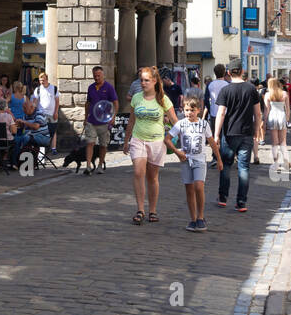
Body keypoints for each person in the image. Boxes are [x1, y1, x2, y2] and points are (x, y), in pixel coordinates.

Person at [124, 66, 177, 225]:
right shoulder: (136, 98)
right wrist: (126, 140)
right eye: (141, 80)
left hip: (156, 141)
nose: (143, 83)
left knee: (152, 177)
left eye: (146, 80)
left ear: (154, 81)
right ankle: (140, 209)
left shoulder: (163, 99)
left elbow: (175, 121)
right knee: (138, 172)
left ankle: (152, 210)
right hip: (138, 139)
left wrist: (178, 136)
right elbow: (131, 120)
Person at [166, 97, 222, 232]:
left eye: (192, 110)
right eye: (186, 110)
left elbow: (212, 142)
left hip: (200, 161)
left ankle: (201, 216)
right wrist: (177, 152)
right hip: (186, 161)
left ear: (198, 110)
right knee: (189, 189)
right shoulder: (180, 124)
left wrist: (219, 159)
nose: (189, 113)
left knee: (198, 186)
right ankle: (193, 218)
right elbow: (167, 139)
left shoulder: (204, 124)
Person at [213, 66, 261, 212]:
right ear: (242, 71)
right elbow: (258, 114)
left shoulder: (226, 90)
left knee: (226, 165)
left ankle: (223, 197)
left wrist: (216, 134)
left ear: (229, 73)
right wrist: (257, 129)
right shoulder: (251, 89)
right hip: (246, 133)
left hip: (229, 133)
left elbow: (221, 113)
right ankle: (241, 202)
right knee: (243, 167)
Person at [84, 65, 118, 175]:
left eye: (99, 76)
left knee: (103, 145)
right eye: (95, 76)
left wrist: (113, 117)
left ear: (103, 75)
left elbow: (116, 103)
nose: (97, 78)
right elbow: (88, 103)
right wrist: (85, 118)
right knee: (90, 142)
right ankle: (88, 166)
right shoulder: (91, 87)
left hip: (104, 122)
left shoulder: (109, 87)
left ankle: (100, 165)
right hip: (91, 121)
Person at [12, 93, 50, 167]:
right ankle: (15, 162)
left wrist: (24, 122)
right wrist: (19, 124)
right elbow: (24, 126)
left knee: (25, 138)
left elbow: (36, 126)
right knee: (16, 139)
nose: (23, 110)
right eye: (23, 108)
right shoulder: (26, 115)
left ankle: (21, 160)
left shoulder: (39, 114)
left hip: (42, 137)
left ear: (32, 107)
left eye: (25, 108)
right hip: (30, 135)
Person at [264, 77, 291, 170]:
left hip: (272, 117)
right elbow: (288, 109)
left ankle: (276, 163)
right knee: (283, 142)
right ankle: (286, 162)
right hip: (282, 116)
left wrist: (264, 122)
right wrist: (287, 119)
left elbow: (266, 110)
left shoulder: (268, 95)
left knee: (274, 142)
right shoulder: (284, 94)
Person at [33, 72, 60, 156]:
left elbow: (57, 101)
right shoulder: (37, 89)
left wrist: (56, 112)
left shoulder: (54, 88)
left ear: (47, 79)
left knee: (53, 131)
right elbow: (35, 101)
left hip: (52, 113)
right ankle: (42, 150)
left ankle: (53, 148)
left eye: (43, 80)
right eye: (40, 80)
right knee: (41, 131)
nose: (42, 82)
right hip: (41, 114)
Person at [204, 64, 229, 136]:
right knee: (225, 135)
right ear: (224, 73)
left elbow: (206, 100)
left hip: (213, 112)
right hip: (225, 113)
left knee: (215, 134)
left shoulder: (210, 85)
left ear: (214, 73)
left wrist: (209, 109)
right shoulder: (227, 84)